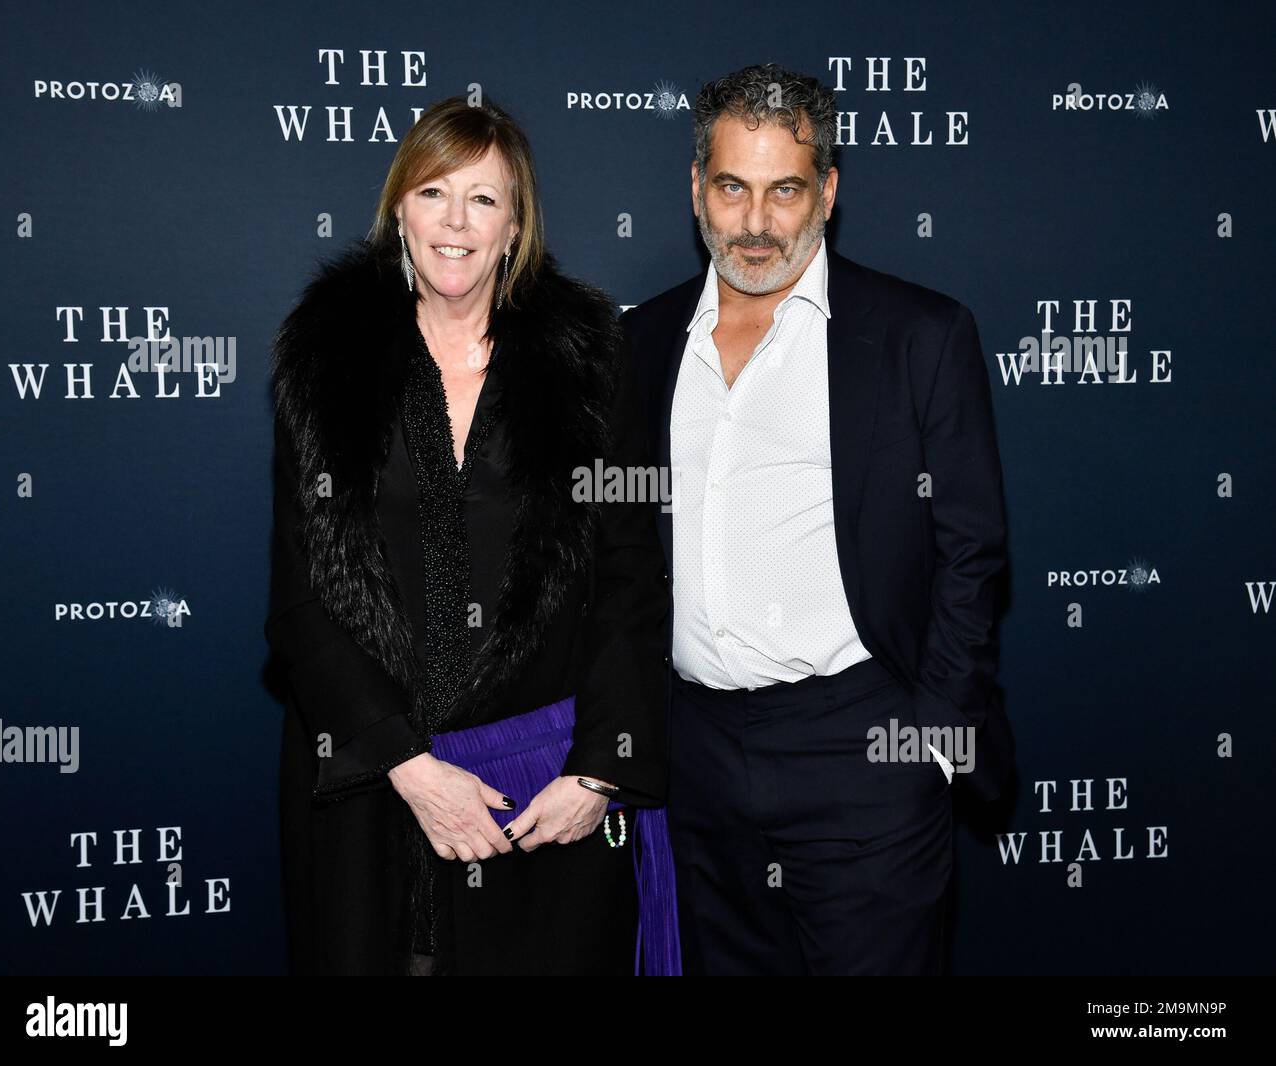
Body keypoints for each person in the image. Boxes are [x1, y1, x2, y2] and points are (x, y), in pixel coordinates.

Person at [618, 63, 1015, 975]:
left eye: (785, 190)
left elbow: (971, 551)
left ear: (827, 194)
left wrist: (927, 742)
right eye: (733, 187)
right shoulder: (642, 342)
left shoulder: (919, 335)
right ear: (697, 188)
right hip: (696, 761)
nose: (756, 222)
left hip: (860, 748)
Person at [265, 95, 676, 976]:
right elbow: (301, 598)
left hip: (543, 795)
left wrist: (599, 771)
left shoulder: (588, 360)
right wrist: (408, 766)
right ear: (398, 213)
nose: (456, 222)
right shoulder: (325, 358)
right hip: (372, 789)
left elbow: (630, 576)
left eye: (483, 199)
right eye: (433, 193)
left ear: (515, 225)